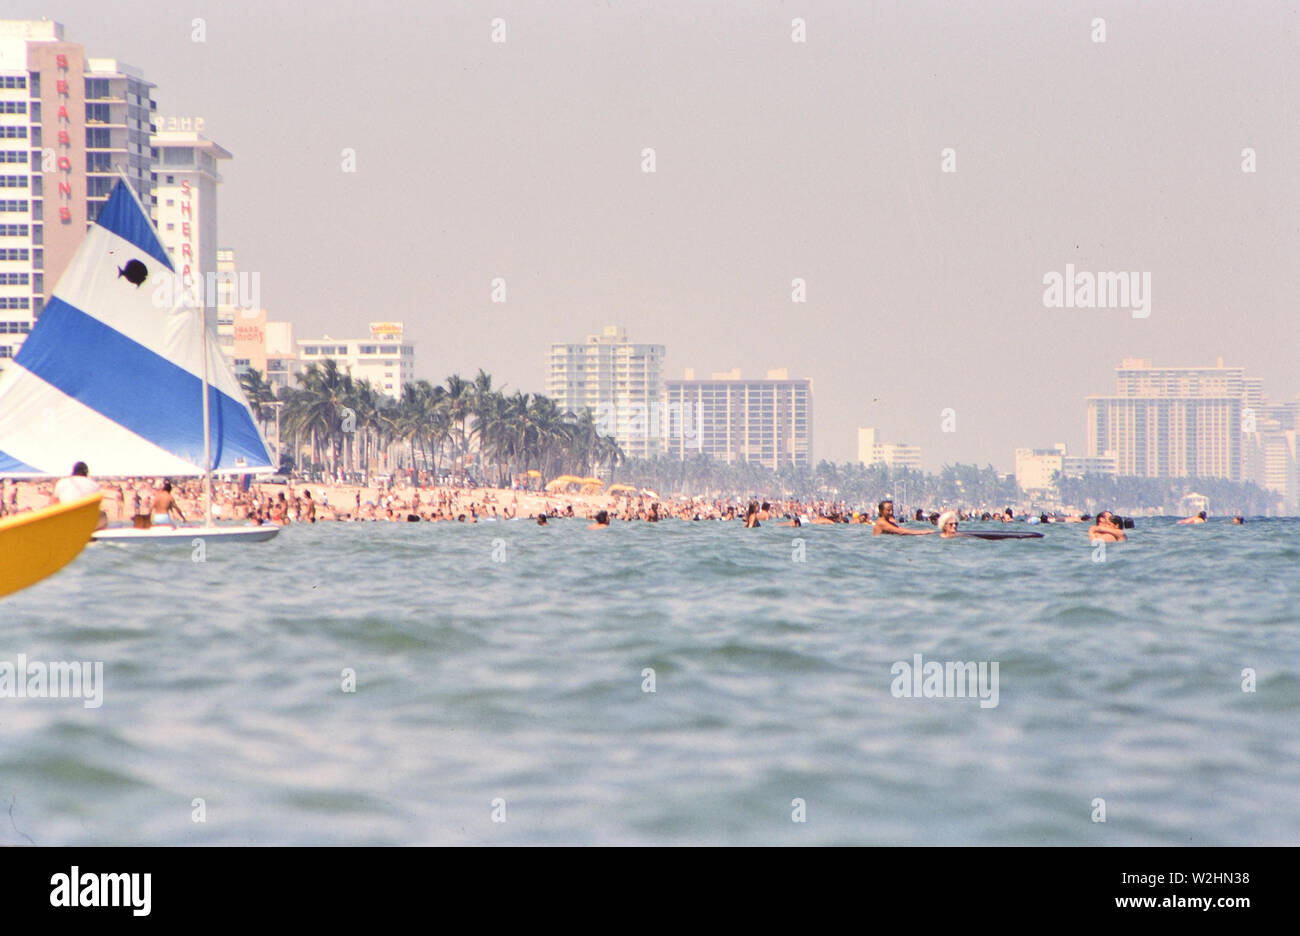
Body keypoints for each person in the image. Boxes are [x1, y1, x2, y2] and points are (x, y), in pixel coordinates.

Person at [53, 461, 107, 530]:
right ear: (86, 472)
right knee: (103, 515)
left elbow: (55, 502)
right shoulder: (94, 485)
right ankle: (95, 534)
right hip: (86, 519)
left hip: (66, 517)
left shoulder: (62, 482)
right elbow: (96, 505)